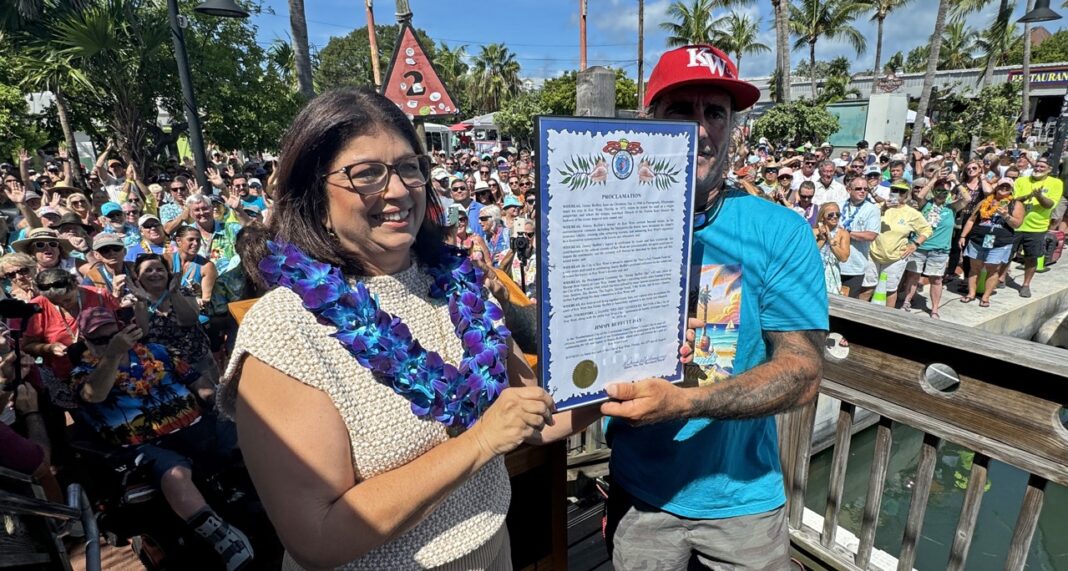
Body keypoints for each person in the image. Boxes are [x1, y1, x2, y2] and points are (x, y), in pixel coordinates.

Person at [217, 88, 582, 570]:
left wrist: (639, 379)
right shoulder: (284, 328)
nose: (396, 190)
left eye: (409, 167)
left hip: (494, 553)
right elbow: (317, 536)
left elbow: (533, 417)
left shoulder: (459, 286)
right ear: (314, 195)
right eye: (366, 173)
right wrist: (479, 442)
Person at [600, 45, 826, 570]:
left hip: (742, 501)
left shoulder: (780, 231)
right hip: (641, 489)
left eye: (715, 112)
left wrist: (685, 403)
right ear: (650, 120)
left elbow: (803, 372)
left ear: (732, 128)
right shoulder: (609, 225)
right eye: (681, 111)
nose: (699, 130)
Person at [70, 307, 252, 569]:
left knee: (247, 436)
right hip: (144, 443)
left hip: (197, 424)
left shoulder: (157, 352)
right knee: (174, 474)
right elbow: (93, 395)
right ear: (85, 341)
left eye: (114, 335)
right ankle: (222, 538)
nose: (110, 342)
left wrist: (217, 399)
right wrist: (113, 353)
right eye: (100, 340)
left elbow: (196, 380)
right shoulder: (83, 374)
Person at [128, 253, 219, 384]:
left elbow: (189, 320)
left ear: (168, 273)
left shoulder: (183, 291)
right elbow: (142, 333)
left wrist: (174, 293)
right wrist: (141, 301)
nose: (155, 273)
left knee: (215, 397)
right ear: (138, 276)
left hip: (198, 360)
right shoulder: (132, 300)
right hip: (164, 369)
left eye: (160, 269)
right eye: (148, 270)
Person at [858, 182, 934, 308]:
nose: (898, 193)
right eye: (895, 190)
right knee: (867, 287)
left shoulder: (912, 213)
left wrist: (915, 244)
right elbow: (864, 220)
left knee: (890, 290)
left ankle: (887, 320)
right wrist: (883, 208)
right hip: (873, 253)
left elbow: (927, 230)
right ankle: (858, 316)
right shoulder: (877, 207)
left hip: (896, 257)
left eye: (902, 191)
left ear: (907, 194)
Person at [960, 179, 1025, 306]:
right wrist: (963, 236)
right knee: (974, 268)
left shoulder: (1015, 204)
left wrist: (1006, 216)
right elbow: (971, 220)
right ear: (996, 187)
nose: (1004, 188)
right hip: (978, 240)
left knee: (993, 269)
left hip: (1000, 243)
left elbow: (1017, 224)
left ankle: (985, 297)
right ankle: (971, 293)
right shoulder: (985, 201)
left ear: (1011, 189)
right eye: (1002, 185)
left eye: (1007, 187)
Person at [900, 178, 957, 318]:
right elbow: (919, 195)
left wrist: (957, 182)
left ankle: (934, 309)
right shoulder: (925, 204)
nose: (942, 194)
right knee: (913, 276)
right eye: (939, 190)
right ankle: (906, 301)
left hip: (940, 250)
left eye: (945, 191)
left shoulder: (952, 207)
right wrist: (934, 180)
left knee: (936, 280)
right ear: (933, 191)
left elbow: (967, 198)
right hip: (920, 246)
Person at [1012, 156, 1063, 297]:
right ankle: (1001, 278)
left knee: (1031, 257)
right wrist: (1028, 196)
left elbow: (1050, 204)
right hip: (1016, 224)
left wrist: (1039, 196)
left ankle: (1026, 285)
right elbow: (1014, 199)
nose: (1038, 168)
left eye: (1042, 167)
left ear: (1049, 169)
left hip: (1037, 227)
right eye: (1037, 166)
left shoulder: (1056, 183)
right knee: (1007, 254)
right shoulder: (1022, 180)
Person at [838, 175, 881, 297]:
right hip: (835, 264)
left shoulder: (872, 209)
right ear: (848, 189)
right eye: (858, 189)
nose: (862, 191)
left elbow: (871, 235)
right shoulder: (838, 205)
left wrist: (846, 234)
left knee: (847, 304)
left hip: (855, 266)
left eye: (865, 189)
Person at [815, 202, 850, 295]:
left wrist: (831, 242)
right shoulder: (814, 231)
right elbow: (809, 253)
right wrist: (822, 240)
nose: (834, 217)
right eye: (830, 215)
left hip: (831, 274)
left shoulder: (843, 233)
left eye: (837, 214)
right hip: (815, 272)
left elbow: (844, 258)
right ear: (822, 217)